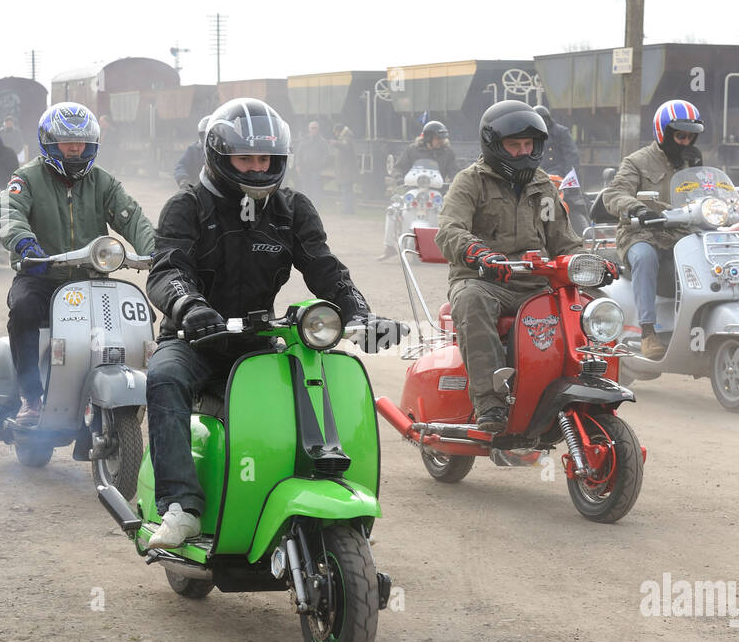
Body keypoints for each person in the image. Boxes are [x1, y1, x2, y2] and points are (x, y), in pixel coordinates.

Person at [143, 98, 400, 548]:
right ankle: (180, 506)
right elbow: (166, 269)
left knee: (315, 381)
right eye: (246, 158)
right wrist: (190, 307)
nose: (257, 169)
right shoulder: (187, 206)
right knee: (164, 378)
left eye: (265, 159)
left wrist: (359, 311)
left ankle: (317, 501)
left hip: (259, 339)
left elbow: (324, 267)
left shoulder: (292, 209)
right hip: (193, 338)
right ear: (220, 157)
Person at [435, 100, 599, 433]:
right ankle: (490, 403)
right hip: (482, 280)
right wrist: (480, 254)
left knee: (587, 307)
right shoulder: (470, 182)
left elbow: (564, 241)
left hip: (533, 283)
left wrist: (593, 263)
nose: (524, 152)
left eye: (529, 145)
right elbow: (449, 230)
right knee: (470, 301)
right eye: (515, 145)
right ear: (495, 146)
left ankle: (579, 387)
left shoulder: (544, 187)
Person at [0, 102, 155, 425]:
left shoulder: (103, 182)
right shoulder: (26, 178)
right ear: (49, 143)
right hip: (40, 273)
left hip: (92, 276)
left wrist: (158, 252)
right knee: (23, 310)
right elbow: (8, 213)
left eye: (82, 142)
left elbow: (133, 218)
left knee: (142, 316)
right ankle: (32, 398)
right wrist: (26, 245)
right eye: (68, 142)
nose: (76, 148)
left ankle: (134, 390)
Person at [599, 99, 705, 361]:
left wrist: (699, 170)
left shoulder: (691, 161)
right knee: (645, 257)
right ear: (664, 133)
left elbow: (708, 196)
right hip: (641, 234)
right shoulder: (637, 162)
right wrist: (637, 209)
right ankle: (648, 333)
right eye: (680, 136)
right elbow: (614, 193)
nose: (686, 142)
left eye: (691, 137)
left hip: (681, 235)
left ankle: (697, 324)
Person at [380, 119, 460, 259]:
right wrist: (399, 178)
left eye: (442, 138)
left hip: (437, 193)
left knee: (453, 215)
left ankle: (451, 248)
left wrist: (456, 180)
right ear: (428, 138)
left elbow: (454, 170)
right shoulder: (412, 150)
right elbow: (399, 167)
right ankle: (389, 246)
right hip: (412, 190)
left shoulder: (447, 152)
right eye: (437, 138)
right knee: (393, 211)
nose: (441, 141)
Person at [537, 106, 588, 231]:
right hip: (537, 174)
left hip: (559, 175)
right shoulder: (531, 135)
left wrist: (569, 177)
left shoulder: (561, 132)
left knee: (573, 202)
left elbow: (571, 155)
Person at [293, 119, 330, 202]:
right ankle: (306, 205)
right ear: (309, 129)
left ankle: (315, 205)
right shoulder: (304, 140)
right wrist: (298, 165)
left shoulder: (322, 141)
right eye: (312, 128)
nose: (314, 129)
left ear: (318, 129)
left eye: (315, 128)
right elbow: (299, 153)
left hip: (315, 169)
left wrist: (320, 165)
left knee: (315, 188)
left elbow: (326, 155)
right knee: (305, 188)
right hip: (304, 168)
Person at [172, 116, 209, 188]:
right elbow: (181, 165)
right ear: (200, 135)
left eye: (208, 134)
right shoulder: (193, 149)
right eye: (204, 134)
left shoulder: (223, 150)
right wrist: (183, 179)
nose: (206, 137)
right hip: (197, 188)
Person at [330, 122, 357, 214]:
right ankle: (348, 209)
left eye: (335, 132)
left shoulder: (346, 138)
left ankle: (347, 210)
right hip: (345, 171)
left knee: (346, 191)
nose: (335, 135)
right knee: (347, 191)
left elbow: (345, 147)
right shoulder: (345, 138)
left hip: (346, 171)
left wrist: (336, 143)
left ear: (339, 131)